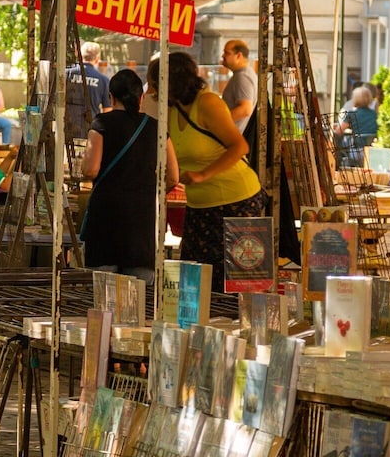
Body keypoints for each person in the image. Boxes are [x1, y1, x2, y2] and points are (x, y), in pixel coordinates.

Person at [149, 52, 265, 293]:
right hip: (200, 206)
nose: (151, 91)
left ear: (171, 83)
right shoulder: (171, 110)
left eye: (154, 84)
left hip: (236, 200)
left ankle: (238, 328)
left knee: (237, 280)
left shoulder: (208, 103)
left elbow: (240, 146)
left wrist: (203, 175)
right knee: (195, 280)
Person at [81, 69, 176, 285]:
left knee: (104, 299)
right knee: (140, 298)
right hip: (142, 220)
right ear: (141, 98)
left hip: (106, 217)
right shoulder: (157, 128)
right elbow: (173, 176)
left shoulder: (102, 123)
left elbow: (91, 170)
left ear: (111, 97)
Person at [65, 42, 111, 150]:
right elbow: (107, 111)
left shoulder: (66, 74)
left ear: (78, 54)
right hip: (90, 133)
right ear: (97, 58)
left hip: (66, 131)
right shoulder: (103, 80)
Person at [332, 85, 379, 168]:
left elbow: (338, 131)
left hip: (356, 152)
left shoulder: (351, 114)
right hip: (372, 152)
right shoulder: (375, 114)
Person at [218, 39, 257, 133]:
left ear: (238, 56)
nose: (223, 56)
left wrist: (219, 122)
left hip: (233, 135)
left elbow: (245, 109)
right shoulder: (242, 75)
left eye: (227, 53)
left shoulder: (242, 77)